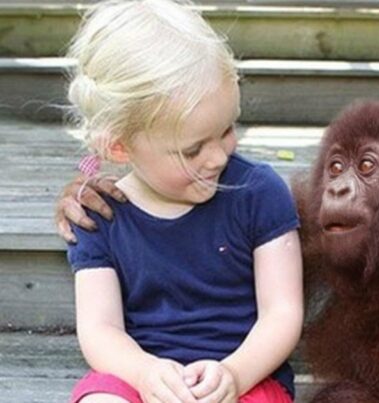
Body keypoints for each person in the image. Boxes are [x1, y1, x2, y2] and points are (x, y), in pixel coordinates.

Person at [61, 1, 303, 402]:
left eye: (226, 129)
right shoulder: (99, 216)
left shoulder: (258, 193)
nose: (219, 156)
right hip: (139, 375)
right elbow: (99, 330)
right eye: (193, 150)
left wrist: (233, 375)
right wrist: (145, 373)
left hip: (245, 374)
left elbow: (282, 313)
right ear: (120, 147)